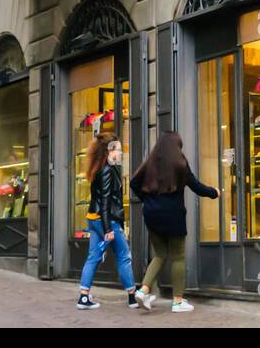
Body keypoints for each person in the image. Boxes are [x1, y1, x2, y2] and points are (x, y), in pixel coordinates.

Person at [129, 131, 218, 313]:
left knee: (159, 255)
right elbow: (196, 186)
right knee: (178, 256)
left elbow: (133, 183)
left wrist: (147, 200)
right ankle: (178, 301)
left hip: (152, 214)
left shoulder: (150, 162)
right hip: (173, 215)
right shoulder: (180, 163)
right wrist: (214, 192)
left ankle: (143, 289)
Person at [76, 133, 137, 310]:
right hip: (106, 220)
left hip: (93, 219)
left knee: (93, 257)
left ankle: (84, 297)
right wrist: (108, 228)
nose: (121, 153)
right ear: (110, 151)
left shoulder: (100, 168)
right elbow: (105, 202)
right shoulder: (107, 171)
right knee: (124, 256)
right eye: (118, 149)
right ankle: (133, 296)